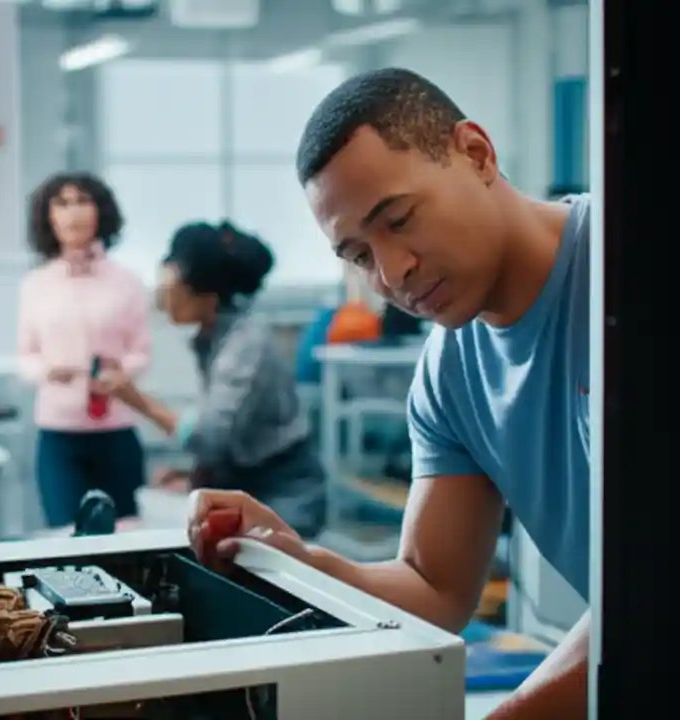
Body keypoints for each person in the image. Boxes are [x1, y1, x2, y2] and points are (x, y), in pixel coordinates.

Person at [184, 68, 592, 720]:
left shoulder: (627, 264)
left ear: (477, 154)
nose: (392, 272)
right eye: (358, 255)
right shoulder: (449, 373)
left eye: (399, 219)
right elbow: (436, 588)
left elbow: (678, 574)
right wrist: (301, 563)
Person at [109, 221, 327, 539]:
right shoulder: (212, 337)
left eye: (174, 293)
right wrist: (194, 475)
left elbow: (210, 436)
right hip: (245, 484)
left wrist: (137, 400)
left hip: (284, 497)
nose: (163, 301)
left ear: (209, 299)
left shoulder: (245, 345)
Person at [17, 172, 152, 528]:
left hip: (116, 430)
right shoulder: (35, 284)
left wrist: (122, 372)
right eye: (62, 203)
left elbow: (141, 351)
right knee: (66, 536)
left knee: (126, 535)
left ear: (100, 212)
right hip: (59, 435)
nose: (73, 213)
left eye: (82, 201)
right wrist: (47, 371)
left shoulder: (127, 282)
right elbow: (25, 357)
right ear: (48, 216)